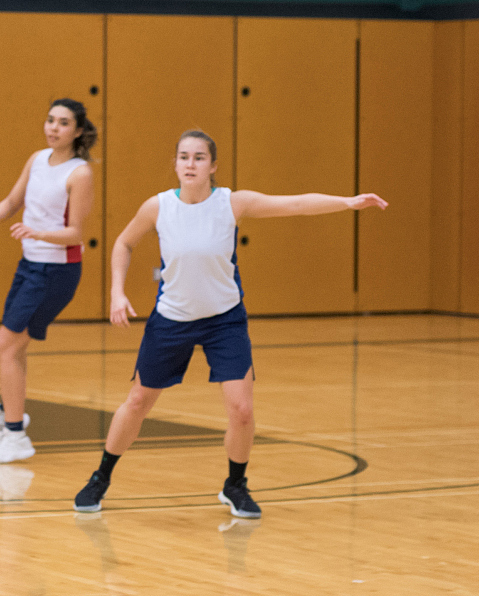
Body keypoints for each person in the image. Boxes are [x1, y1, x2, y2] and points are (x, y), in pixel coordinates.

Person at [75, 129, 386, 519]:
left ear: (213, 166)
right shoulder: (157, 207)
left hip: (225, 320)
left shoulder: (232, 203)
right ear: (175, 164)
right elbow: (123, 243)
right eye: (184, 157)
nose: (191, 164)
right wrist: (117, 292)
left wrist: (347, 202)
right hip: (172, 319)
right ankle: (101, 477)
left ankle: (235, 485)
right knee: (138, 401)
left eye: (199, 157)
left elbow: (294, 204)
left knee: (241, 410)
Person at [0, 98, 98, 464]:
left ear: (79, 131)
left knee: (3, 347)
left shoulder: (80, 173)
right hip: (30, 266)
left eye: (64, 122)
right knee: (14, 349)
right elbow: (10, 202)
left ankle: (16, 435)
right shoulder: (37, 159)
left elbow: (75, 234)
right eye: (50, 119)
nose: (54, 127)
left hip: (57, 272)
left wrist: (36, 232)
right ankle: (12, 414)